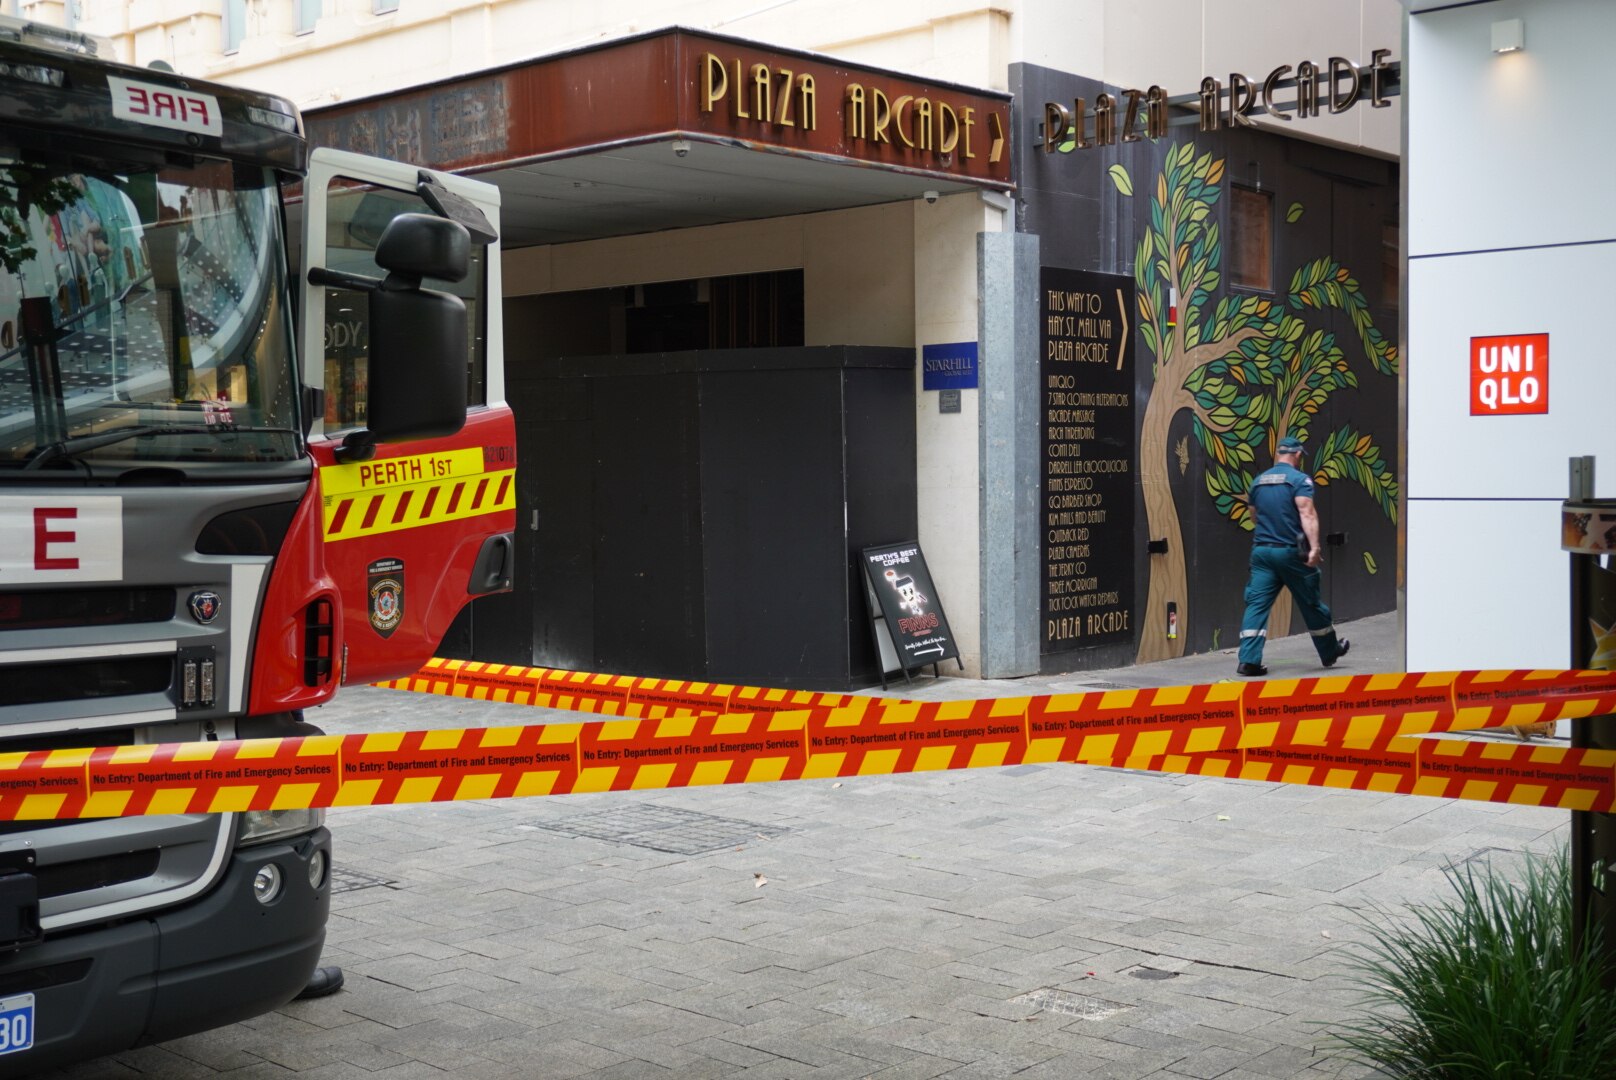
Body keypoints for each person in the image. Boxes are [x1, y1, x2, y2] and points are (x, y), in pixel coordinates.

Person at [1235, 435, 1349, 677]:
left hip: (1262, 553)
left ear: (1278, 454)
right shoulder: (1300, 480)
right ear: (1297, 455)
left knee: (1256, 605)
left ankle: (1248, 662)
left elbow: (1253, 517)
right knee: (1311, 603)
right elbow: (1306, 513)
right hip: (1290, 553)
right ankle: (1329, 652)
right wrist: (1315, 548)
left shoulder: (1258, 481)